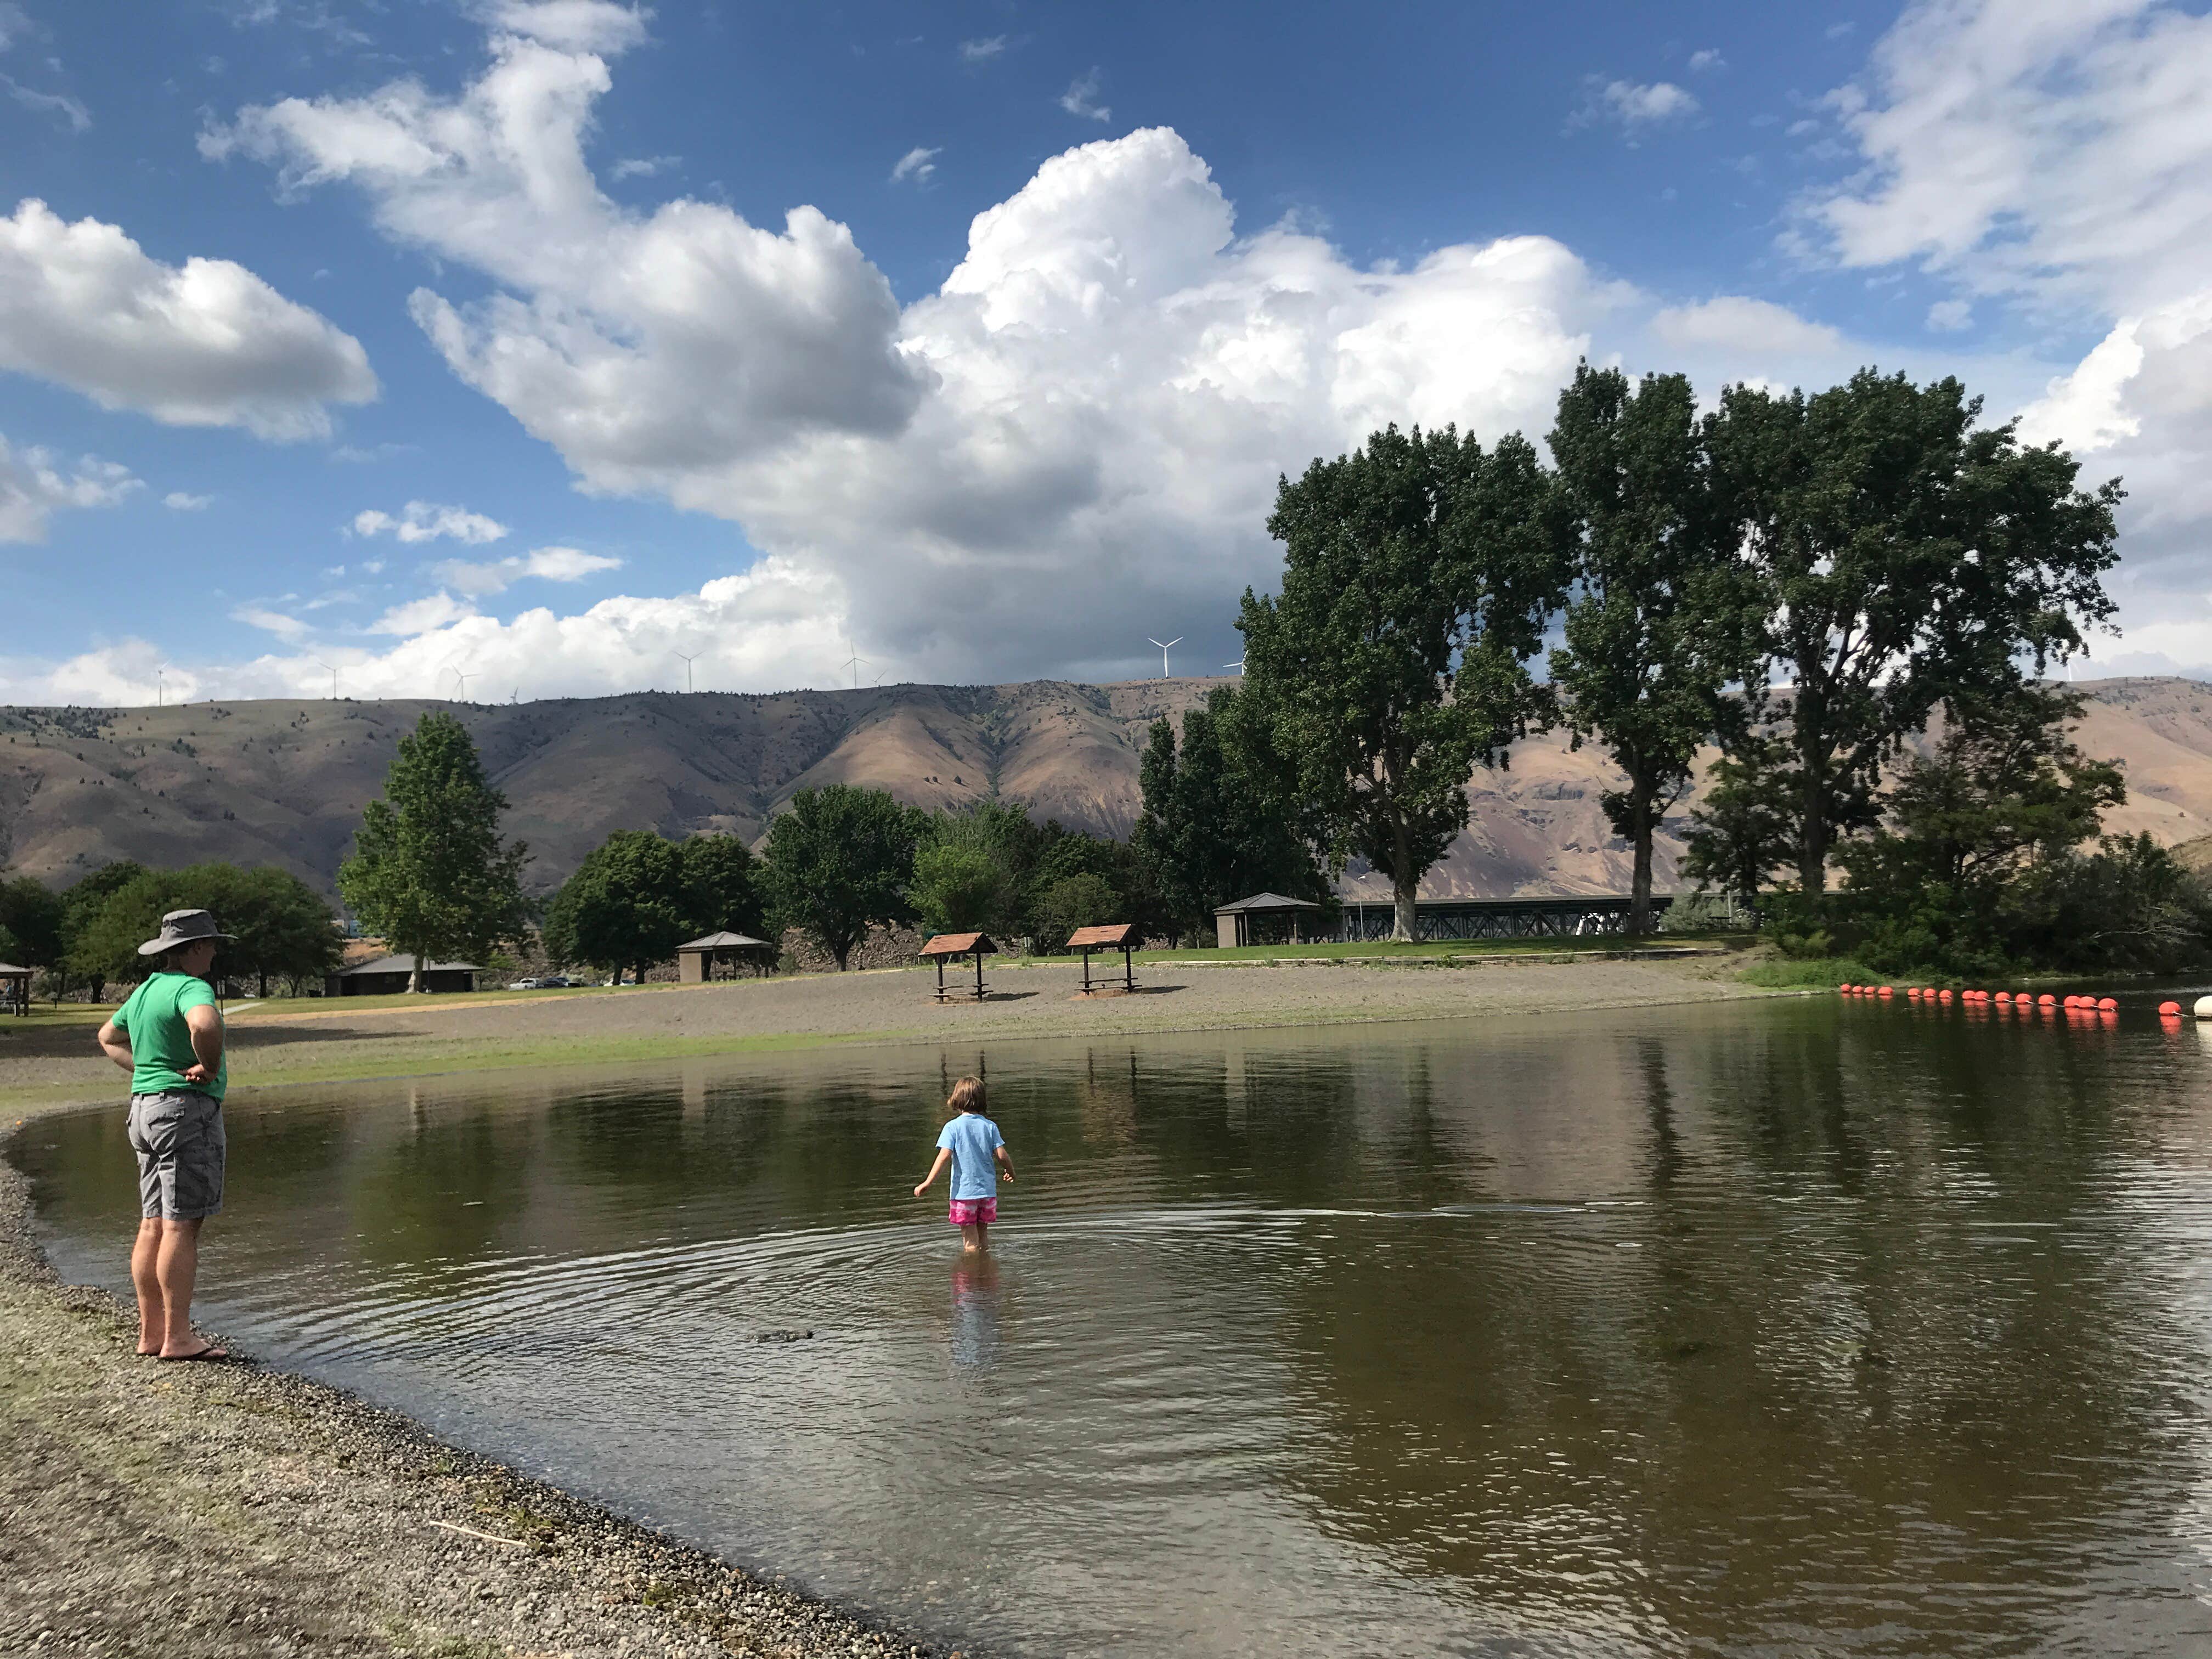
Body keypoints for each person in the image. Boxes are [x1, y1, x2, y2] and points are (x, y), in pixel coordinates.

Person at [95, 909, 235, 1362]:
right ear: (196, 947)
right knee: (181, 1225)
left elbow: (108, 1037)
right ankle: (178, 1339)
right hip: (184, 1111)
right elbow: (205, 1025)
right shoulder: (192, 988)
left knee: (152, 1222)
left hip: (144, 1111)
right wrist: (209, 1067)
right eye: (211, 945)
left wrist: (149, 1070)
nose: (214, 954)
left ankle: (151, 1335)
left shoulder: (146, 990)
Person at [913, 1075, 1015, 1252]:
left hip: (964, 1194)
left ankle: (972, 1269)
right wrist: (1011, 1171)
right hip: (987, 1194)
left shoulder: (952, 1127)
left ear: (957, 1099)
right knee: (983, 1237)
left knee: (970, 1243)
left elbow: (944, 1157)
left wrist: (928, 1182)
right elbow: (1002, 1156)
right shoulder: (990, 1126)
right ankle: (986, 1268)